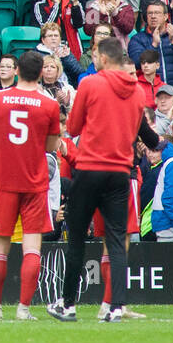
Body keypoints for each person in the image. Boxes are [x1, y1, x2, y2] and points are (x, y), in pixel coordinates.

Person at [48, 38, 145, 323]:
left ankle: (68, 304)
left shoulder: (91, 84)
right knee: (116, 240)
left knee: (77, 238)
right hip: (120, 172)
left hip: (90, 167)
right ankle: (116, 306)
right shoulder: (138, 93)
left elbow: (75, 126)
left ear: (103, 58)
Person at [0, 50, 60, 321]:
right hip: (34, 182)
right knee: (32, 247)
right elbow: (51, 147)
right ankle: (23, 309)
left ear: (16, 71)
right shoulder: (50, 105)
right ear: (40, 73)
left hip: (4, 180)